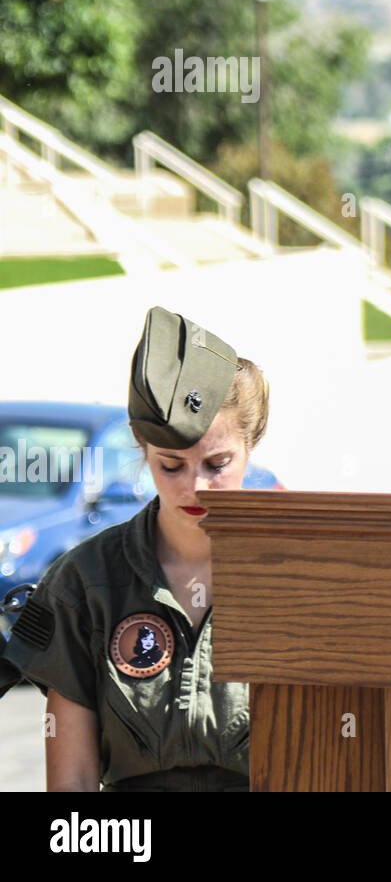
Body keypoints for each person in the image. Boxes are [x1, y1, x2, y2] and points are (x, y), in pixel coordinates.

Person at [0, 306, 267, 792]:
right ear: (142, 449)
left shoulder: (300, 578)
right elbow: (72, 783)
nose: (196, 487)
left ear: (252, 442)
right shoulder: (85, 581)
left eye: (217, 463)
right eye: (171, 466)